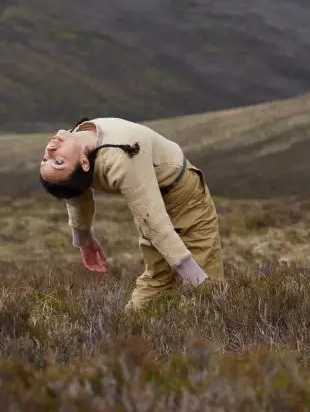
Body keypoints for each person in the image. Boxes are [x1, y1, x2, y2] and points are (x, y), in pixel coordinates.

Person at [38, 116, 224, 310]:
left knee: (176, 275)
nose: (50, 151)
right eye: (57, 161)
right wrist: (199, 281)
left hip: (176, 189)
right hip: (168, 197)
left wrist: (194, 277)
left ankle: (136, 326)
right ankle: (138, 328)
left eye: (47, 159)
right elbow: (76, 195)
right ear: (84, 163)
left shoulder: (79, 139)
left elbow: (75, 191)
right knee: (182, 276)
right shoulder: (121, 157)